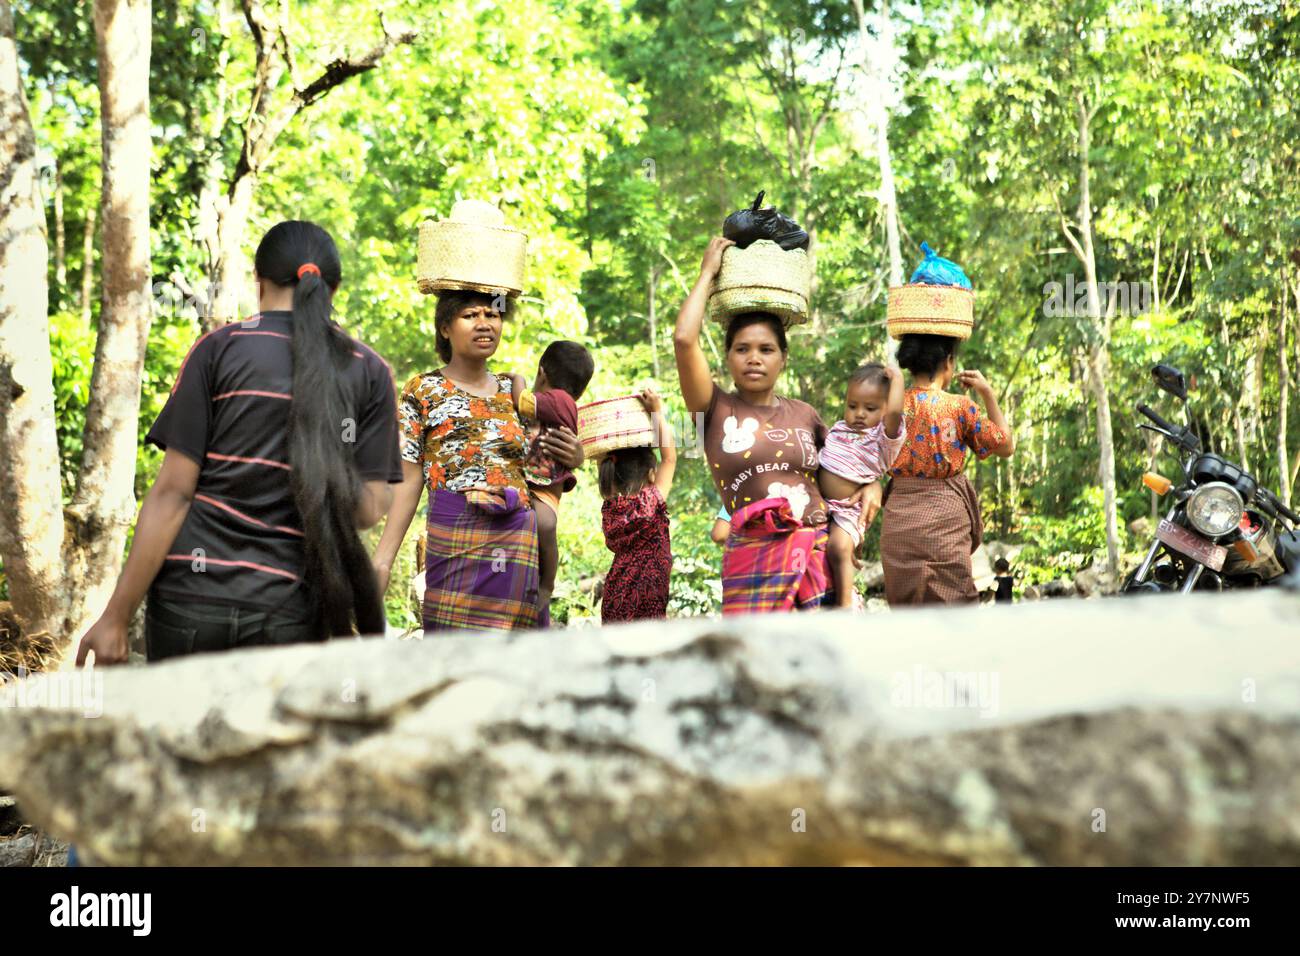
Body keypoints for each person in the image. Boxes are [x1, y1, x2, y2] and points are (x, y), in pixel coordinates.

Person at [76, 221, 401, 665]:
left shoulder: (218, 349)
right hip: (290, 611)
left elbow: (173, 494)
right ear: (334, 288)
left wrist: (116, 616)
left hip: (190, 600)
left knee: (180, 734)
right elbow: (367, 510)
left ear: (259, 278)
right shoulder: (368, 371)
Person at [673, 237, 880, 614]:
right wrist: (707, 274)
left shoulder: (806, 414)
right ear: (728, 356)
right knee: (756, 669)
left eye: (766, 350)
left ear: (783, 357)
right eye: (742, 349)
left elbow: (849, 468)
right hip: (752, 563)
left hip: (817, 557)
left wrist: (873, 485)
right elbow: (684, 339)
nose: (754, 359)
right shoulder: (713, 409)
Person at [372, 292, 585, 633]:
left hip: (517, 549)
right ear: (445, 328)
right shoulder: (422, 391)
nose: (485, 323)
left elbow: (547, 466)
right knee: (453, 670)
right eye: (471, 315)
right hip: (454, 546)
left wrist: (576, 456)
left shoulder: (517, 393)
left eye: (493, 314)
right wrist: (383, 559)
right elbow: (409, 479)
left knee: (515, 675)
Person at [882, 333, 1014, 605]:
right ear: (948, 362)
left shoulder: (891, 407)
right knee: (955, 609)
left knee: (906, 611)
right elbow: (1005, 445)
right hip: (946, 520)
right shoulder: (960, 407)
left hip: (899, 524)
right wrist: (987, 392)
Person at [509, 341, 595, 627]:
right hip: (532, 483)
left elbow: (522, 401)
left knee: (545, 526)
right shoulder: (560, 404)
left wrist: (516, 380)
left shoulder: (558, 400)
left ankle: (547, 584)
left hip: (544, 488)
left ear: (541, 372)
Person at [817, 362, 906, 608]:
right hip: (821, 505)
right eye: (852, 406)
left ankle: (845, 604)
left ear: (885, 410)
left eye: (870, 408)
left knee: (838, 548)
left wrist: (897, 379)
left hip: (849, 510)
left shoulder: (882, 438)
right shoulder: (839, 429)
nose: (859, 414)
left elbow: (896, 414)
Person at [598, 388, 676, 623]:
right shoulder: (651, 502)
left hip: (615, 597)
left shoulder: (610, 508)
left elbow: (603, 462)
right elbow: (670, 458)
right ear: (652, 474)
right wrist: (657, 412)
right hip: (648, 599)